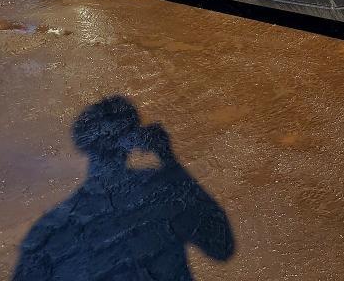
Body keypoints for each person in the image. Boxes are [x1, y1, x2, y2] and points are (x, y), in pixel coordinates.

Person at [12, 96, 234, 280]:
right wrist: (168, 159)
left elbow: (221, 247)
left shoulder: (50, 228)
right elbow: (221, 247)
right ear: (134, 140)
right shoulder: (164, 190)